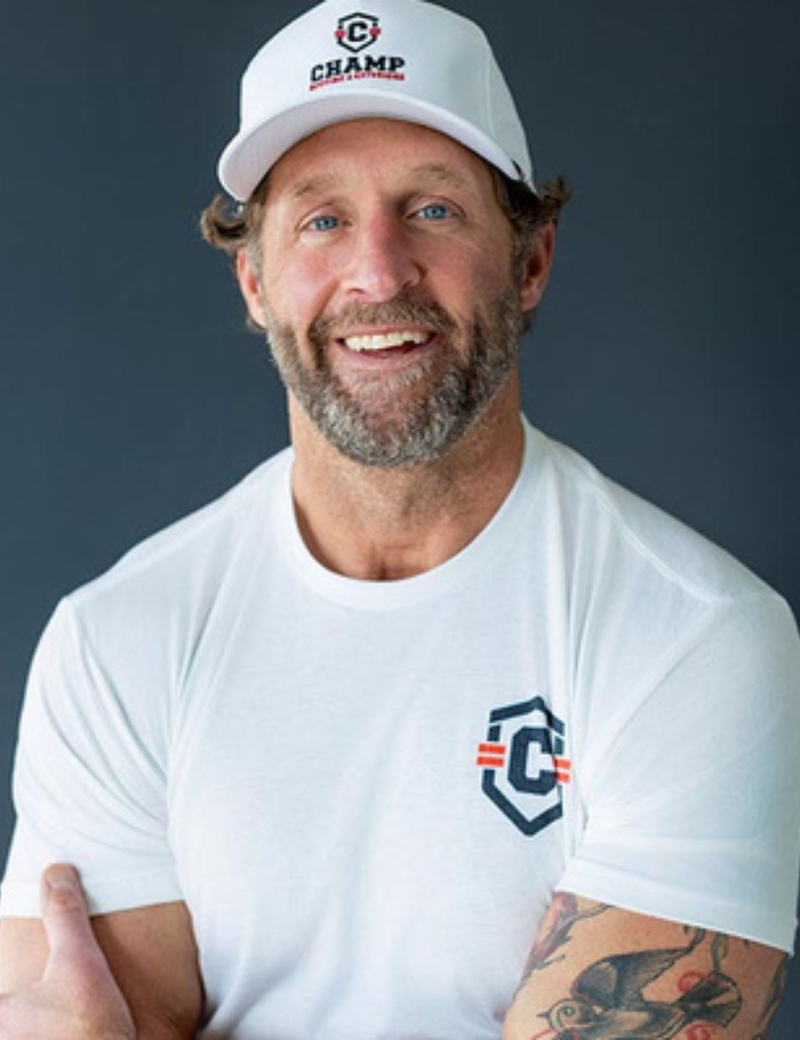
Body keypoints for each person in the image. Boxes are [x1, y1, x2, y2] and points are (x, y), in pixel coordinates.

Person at [0, 0, 798, 1037]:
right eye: (321, 220)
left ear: (530, 262)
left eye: (431, 209)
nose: (377, 272)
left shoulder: (693, 634)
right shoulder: (118, 639)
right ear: (254, 280)